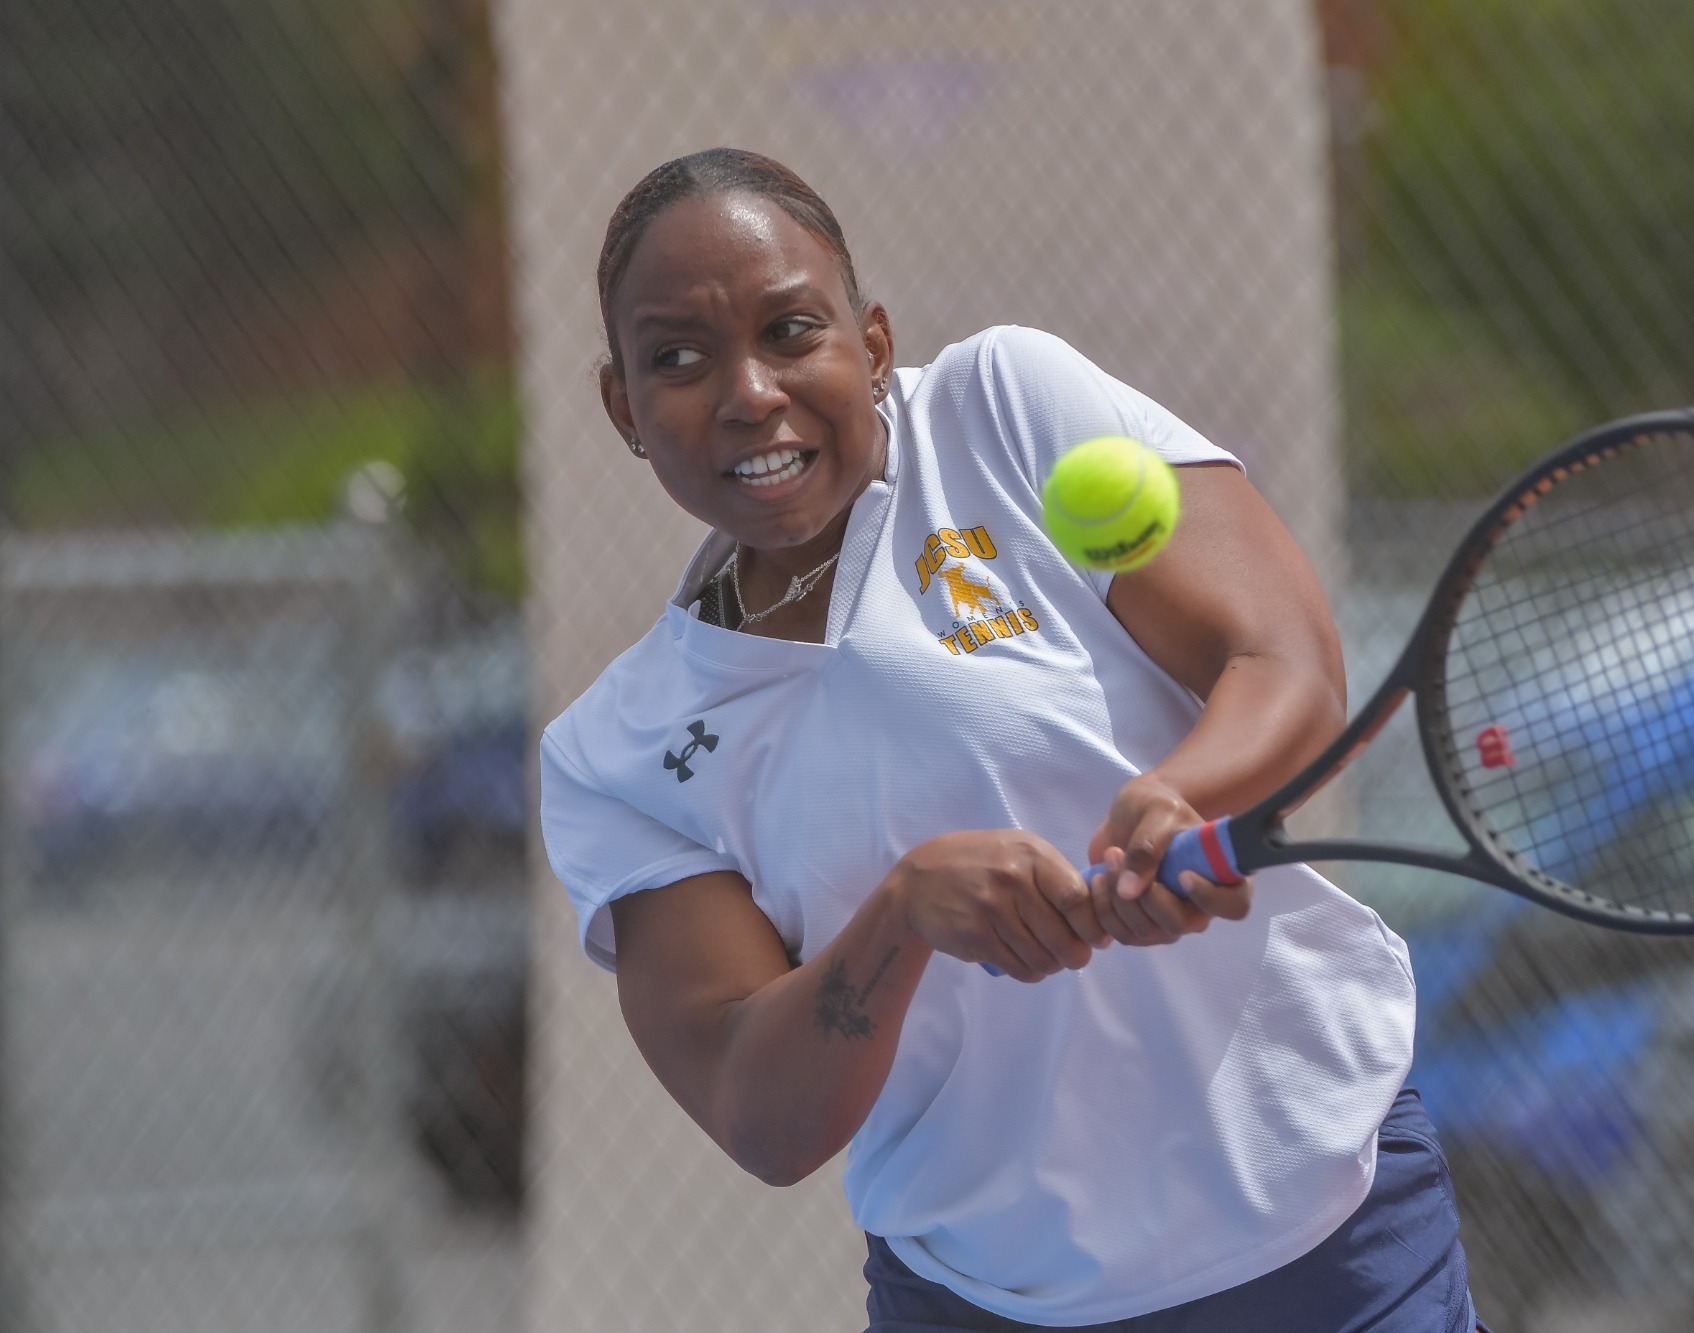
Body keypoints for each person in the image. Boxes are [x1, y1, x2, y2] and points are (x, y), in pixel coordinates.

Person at [540, 147, 1482, 1331]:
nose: (748, 392)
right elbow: (759, 1115)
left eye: (791, 332)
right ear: (622, 404)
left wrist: (1176, 796)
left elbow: (1282, 657)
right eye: (676, 357)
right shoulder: (612, 756)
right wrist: (902, 914)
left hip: (1328, 1236)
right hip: (981, 1302)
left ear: (871, 344)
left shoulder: (1000, 404)